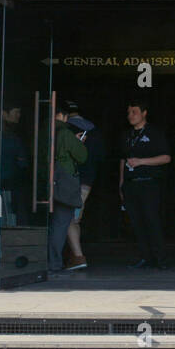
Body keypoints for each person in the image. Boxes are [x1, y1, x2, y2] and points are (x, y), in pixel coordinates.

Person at [119, 100, 171, 269]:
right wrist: (121, 184)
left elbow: (166, 158)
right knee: (136, 223)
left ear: (144, 113)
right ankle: (145, 257)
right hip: (130, 184)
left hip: (149, 184)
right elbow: (122, 160)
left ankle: (161, 258)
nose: (130, 116)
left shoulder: (154, 133)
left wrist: (141, 161)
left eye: (134, 112)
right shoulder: (126, 135)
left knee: (152, 220)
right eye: (129, 112)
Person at [47, 103, 89, 273]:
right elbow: (82, 156)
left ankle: (42, 260)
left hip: (44, 182)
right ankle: (54, 263)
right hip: (62, 183)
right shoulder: (64, 132)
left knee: (48, 224)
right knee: (61, 223)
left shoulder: (42, 129)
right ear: (63, 116)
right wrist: (79, 142)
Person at [63, 104, 103, 271]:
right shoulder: (95, 132)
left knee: (68, 218)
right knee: (75, 218)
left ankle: (78, 257)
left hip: (71, 180)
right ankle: (76, 255)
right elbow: (101, 156)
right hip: (87, 181)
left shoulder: (65, 129)